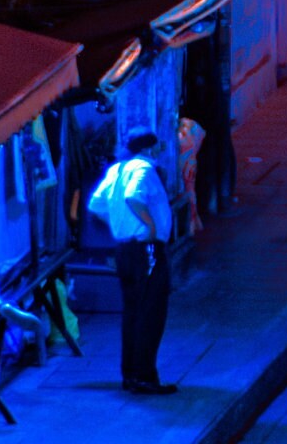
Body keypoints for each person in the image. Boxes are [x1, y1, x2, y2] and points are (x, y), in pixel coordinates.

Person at [87, 133, 178, 394]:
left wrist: (119, 224)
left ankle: (131, 375)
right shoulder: (144, 169)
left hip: (125, 249)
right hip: (146, 248)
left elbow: (96, 204)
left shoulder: (116, 169)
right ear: (150, 148)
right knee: (151, 311)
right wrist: (148, 225)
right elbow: (133, 196)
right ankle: (145, 377)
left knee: (132, 313)